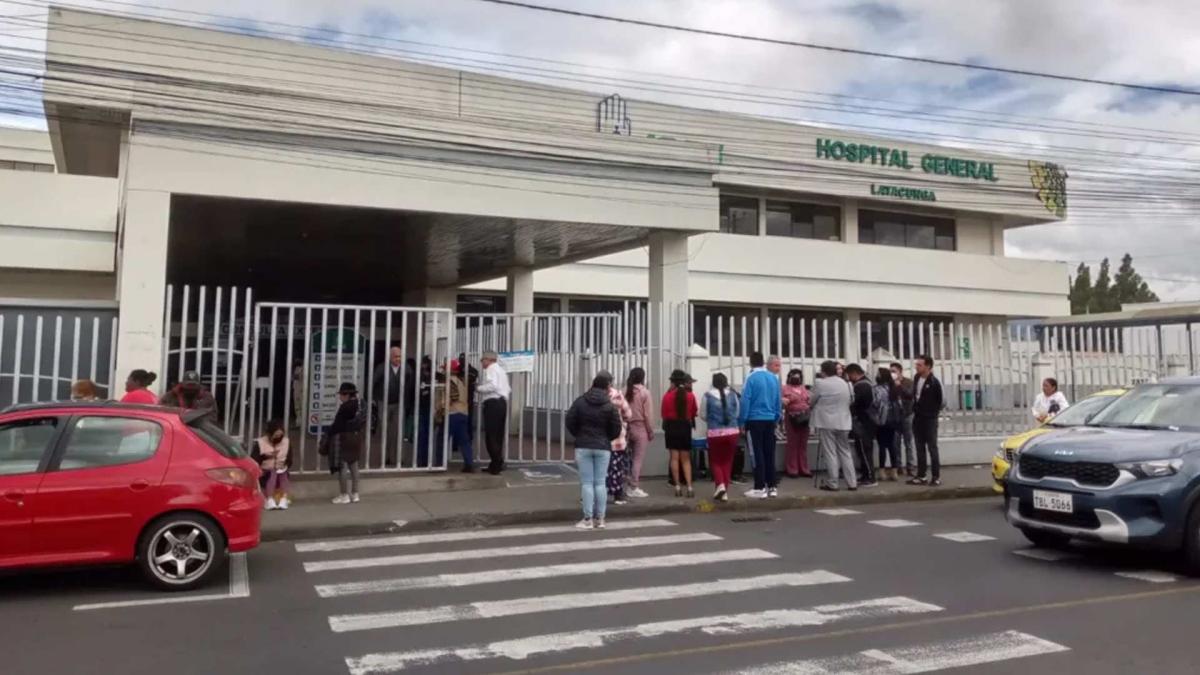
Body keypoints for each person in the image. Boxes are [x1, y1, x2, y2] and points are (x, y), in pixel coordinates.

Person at [565, 372, 622, 530]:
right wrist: (606, 438)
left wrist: (579, 435)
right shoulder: (609, 405)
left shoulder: (580, 401)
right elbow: (616, 428)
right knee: (600, 483)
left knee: (587, 483)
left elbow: (570, 420)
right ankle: (601, 519)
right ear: (606, 387)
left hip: (583, 446)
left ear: (593, 384)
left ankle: (587, 519)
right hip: (603, 447)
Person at [739, 353, 783, 499]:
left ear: (750, 363)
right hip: (770, 419)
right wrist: (776, 417)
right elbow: (778, 400)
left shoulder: (750, 378)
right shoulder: (773, 378)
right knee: (769, 453)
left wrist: (742, 421)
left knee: (757, 453)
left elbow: (746, 400)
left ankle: (759, 487)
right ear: (763, 362)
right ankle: (772, 486)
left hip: (754, 419)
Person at [810, 360, 856, 491]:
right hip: (844, 421)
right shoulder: (847, 384)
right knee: (845, 452)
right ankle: (852, 482)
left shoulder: (821, 384)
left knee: (830, 452)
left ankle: (833, 482)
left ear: (824, 372)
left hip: (827, 422)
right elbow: (852, 400)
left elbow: (812, 401)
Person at [322, 382, 365, 504]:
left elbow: (337, 425)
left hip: (344, 438)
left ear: (346, 395)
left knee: (342, 467)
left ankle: (344, 494)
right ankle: (356, 494)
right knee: (354, 466)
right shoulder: (360, 405)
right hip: (356, 437)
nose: (340, 397)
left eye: (341, 394)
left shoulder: (345, 407)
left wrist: (328, 434)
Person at [702, 372, 740, 502]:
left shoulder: (707, 395)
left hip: (715, 433)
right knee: (727, 462)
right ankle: (724, 492)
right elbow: (737, 412)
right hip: (732, 432)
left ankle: (720, 484)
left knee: (716, 461)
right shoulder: (733, 394)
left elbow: (703, 414)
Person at [372, 345, 413, 467]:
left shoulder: (406, 368)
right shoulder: (381, 368)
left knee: (398, 432)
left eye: (400, 356)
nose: (398, 359)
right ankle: (385, 458)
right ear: (390, 357)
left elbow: (410, 387)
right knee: (385, 431)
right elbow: (373, 382)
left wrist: (407, 403)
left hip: (399, 403)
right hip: (383, 402)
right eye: (395, 356)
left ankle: (398, 459)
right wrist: (373, 400)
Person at [661, 369, 698, 498]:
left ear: (672, 382)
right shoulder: (690, 396)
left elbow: (664, 414)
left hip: (671, 426)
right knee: (686, 459)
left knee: (674, 458)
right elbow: (694, 413)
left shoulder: (667, 396)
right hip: (685, 426)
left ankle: (677, 486)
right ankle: (689, 486)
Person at [909, 355, 944, 487]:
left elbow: (939, 401)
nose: (917, 367)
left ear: (928, 366)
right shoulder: (917, 378)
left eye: (920, 365)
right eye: (917, 364)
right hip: (918, 418)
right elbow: (915, 395)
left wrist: (931, 413)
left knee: (932, 447)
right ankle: (921, 475)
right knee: (919, 447)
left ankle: (936, 476)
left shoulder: (934, 383)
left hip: (929, 419)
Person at [599, 371, 633, 504]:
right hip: (617, 440)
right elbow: (628, 414)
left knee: (598, 469)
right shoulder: (618, 396)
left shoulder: (590, 396)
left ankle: (596, 495)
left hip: (598, 440)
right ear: (610, 382)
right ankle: (618, 494)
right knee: (616, 468)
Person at [477, 350, 511, 475]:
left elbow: (492, 386)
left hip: (493, 404)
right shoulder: (501, 371)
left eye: (483, 360)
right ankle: (497, 463)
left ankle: (496, 465)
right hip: (502, 403)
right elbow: (507, 388)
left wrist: (478, 388)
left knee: (491, 435)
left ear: (489, 359)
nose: (482, 362)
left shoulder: (491, 369)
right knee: (498, 435)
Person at [437, 359, 474, 473]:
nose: (443, 370)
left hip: (451, 414)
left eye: (444, 368)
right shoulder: (462, 382)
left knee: (442, 440)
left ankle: (439, 465)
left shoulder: (447, 382)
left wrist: (439, 411)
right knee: (464, 441)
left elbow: (447, 399)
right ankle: (469, 464)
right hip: (463, 414)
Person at [845, 364, 878, 488]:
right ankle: (866, 475)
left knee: (864, 450)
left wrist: (850, 409)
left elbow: (858, 403)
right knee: (862, 449)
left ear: (854, 373)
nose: (849, 378)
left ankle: (870, 476)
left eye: (849, 375)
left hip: (864, 422)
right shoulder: (867, 383)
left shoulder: (861, 386)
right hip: (868, 421)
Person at [623, 367, 654, 499]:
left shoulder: (625, 391)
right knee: (637, 459)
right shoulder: (645, 393)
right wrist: (650, 430)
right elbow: (647, 415)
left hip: (626, 428)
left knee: (626, 458)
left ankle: (624, 484)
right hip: (640, 427)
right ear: (643, 377)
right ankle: (633, 487)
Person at [873, 368, 903, 482]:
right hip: (893, 421)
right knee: (892, 445)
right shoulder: (894, 388)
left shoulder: (877, 389)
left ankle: (882, 471)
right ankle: (894, 471)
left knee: (882, 445)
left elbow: (875, 403)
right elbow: (900, 404)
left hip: (882, 420)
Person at [782, 369, 812, 478]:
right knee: (792, 443)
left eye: (798, 376)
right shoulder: (784, 388)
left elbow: (809, 400)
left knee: (803, 444)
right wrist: (789, 400)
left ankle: (804, 468)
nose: (796, 378)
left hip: (805, 418)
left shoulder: (804, 388)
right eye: (793, 376)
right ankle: (792, 469)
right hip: (792, 418)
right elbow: (782, 403)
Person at [890, 362, 917, 477]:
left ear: (900, 372)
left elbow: (910, 395)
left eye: (894, 371)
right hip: (896, 416)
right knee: (896, 443)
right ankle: (898, 466)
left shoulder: (908, 382)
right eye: (891, 371)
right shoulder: (890, 384)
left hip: (907, 414)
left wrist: (900, 386)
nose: (892, 374)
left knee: (908, 442)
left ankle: (910, 467)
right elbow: (890, 397)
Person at [258, 419, 291, 510]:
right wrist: (266, 457)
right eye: (276, 435)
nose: (279, 437)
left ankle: (284, 498)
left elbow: (290, 458)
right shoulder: (261, 442)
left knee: (282, 473)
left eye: (280, 435)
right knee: (272, 473)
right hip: (265, 469)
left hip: (280, 467)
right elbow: (255, 459)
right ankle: (269, 499)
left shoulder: (286, 442)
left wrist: (284, 464)